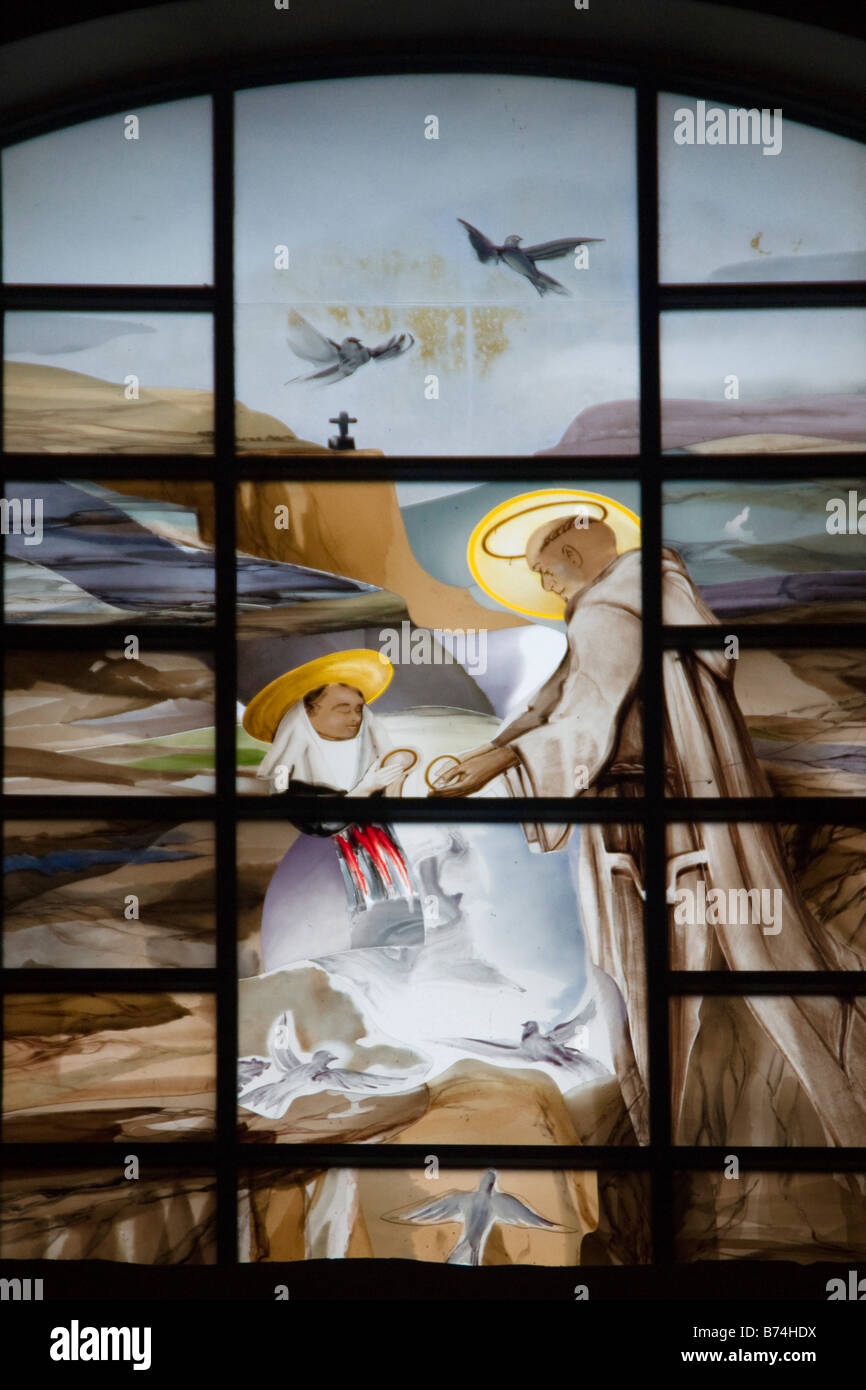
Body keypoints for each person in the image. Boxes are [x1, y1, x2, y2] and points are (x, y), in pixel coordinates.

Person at [431, 501, 866, 1149]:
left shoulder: (610, 612)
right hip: (691, 827)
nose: (547, 589)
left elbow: (588, 716)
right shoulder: (653, 599)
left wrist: (493, 763)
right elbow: (560, 696)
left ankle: (676, 1135)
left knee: (648, 988)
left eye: (545, 573)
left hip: (641, 834)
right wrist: (504, 743)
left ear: (572, 555)